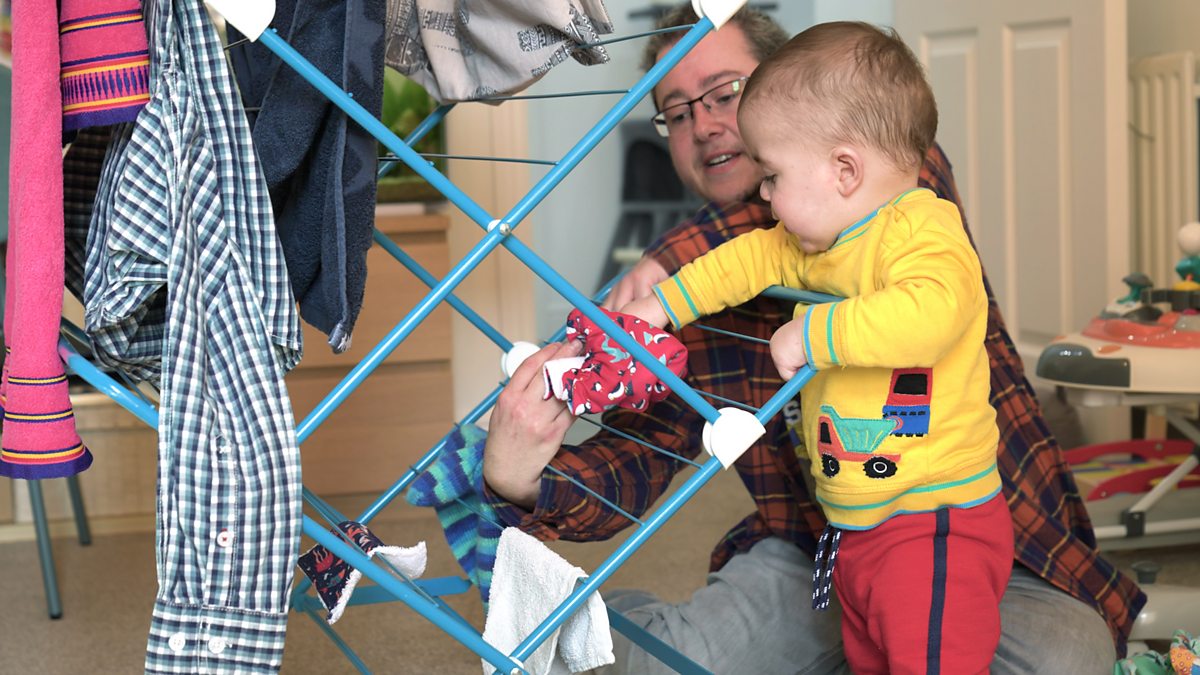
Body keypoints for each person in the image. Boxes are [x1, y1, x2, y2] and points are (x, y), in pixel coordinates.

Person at [482, 5, 1145, 674]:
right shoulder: (775, 239)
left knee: (1062, 660)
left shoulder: (900, 189)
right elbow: (641, 453)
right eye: (677, 112)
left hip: (963, 523)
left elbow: (910, 267)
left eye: (725, 94)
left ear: (838, 148)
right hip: (823, 542)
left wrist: (674, 259)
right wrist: (517, 477)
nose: (707, 124)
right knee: (658, 661)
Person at [620, 21, 1012, 673]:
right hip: (853, 528)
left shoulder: (919, 227)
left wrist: (815, 334)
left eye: (772, 176)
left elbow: (933, 312)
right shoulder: (817, 230)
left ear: (845, 171)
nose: (764, 195)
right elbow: (736, 260)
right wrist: (660, 304)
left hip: (933, 524)